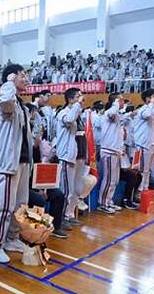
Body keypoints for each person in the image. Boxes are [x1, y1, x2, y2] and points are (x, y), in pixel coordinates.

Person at [0, 64, 33, 264]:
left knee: (20, 205)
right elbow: (6, 100)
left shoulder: (21, 104)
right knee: (5, 206)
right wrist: (8, 81)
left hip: (23, 162)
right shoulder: (7, 103)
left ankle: (12, 238)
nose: (26, 79)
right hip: (9, 164)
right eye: (22, 75)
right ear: (11, 77)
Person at [55, 88, 84, 226]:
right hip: (66, 155)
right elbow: (69, 120)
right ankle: (62, 217)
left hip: (76, 155)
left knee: (75, 189)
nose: (81, 99)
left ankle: (69, 213)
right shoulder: (63, 113)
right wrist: (78, 105)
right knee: (66, 189)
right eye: (78, 97)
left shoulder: (78, 114)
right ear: (70, 99)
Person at [98, 94, 125, 214]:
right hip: (108, 151)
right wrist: (115, 104)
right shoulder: (109, 112)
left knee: (115, 180)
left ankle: (109, 201)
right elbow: (110, 114)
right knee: (108, 179)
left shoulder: (117, 115)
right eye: (121, 99)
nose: (123, 101)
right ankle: (103, 203)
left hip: (116, 151)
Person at [133, 89, 154, 193]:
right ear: (148, 98)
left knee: (148, 169)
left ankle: (145, 188)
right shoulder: (143, 109)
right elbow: (147, 115)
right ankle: (138, 190)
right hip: (142, 144)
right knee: (141, 169)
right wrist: (151, 103)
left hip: (152, 142)